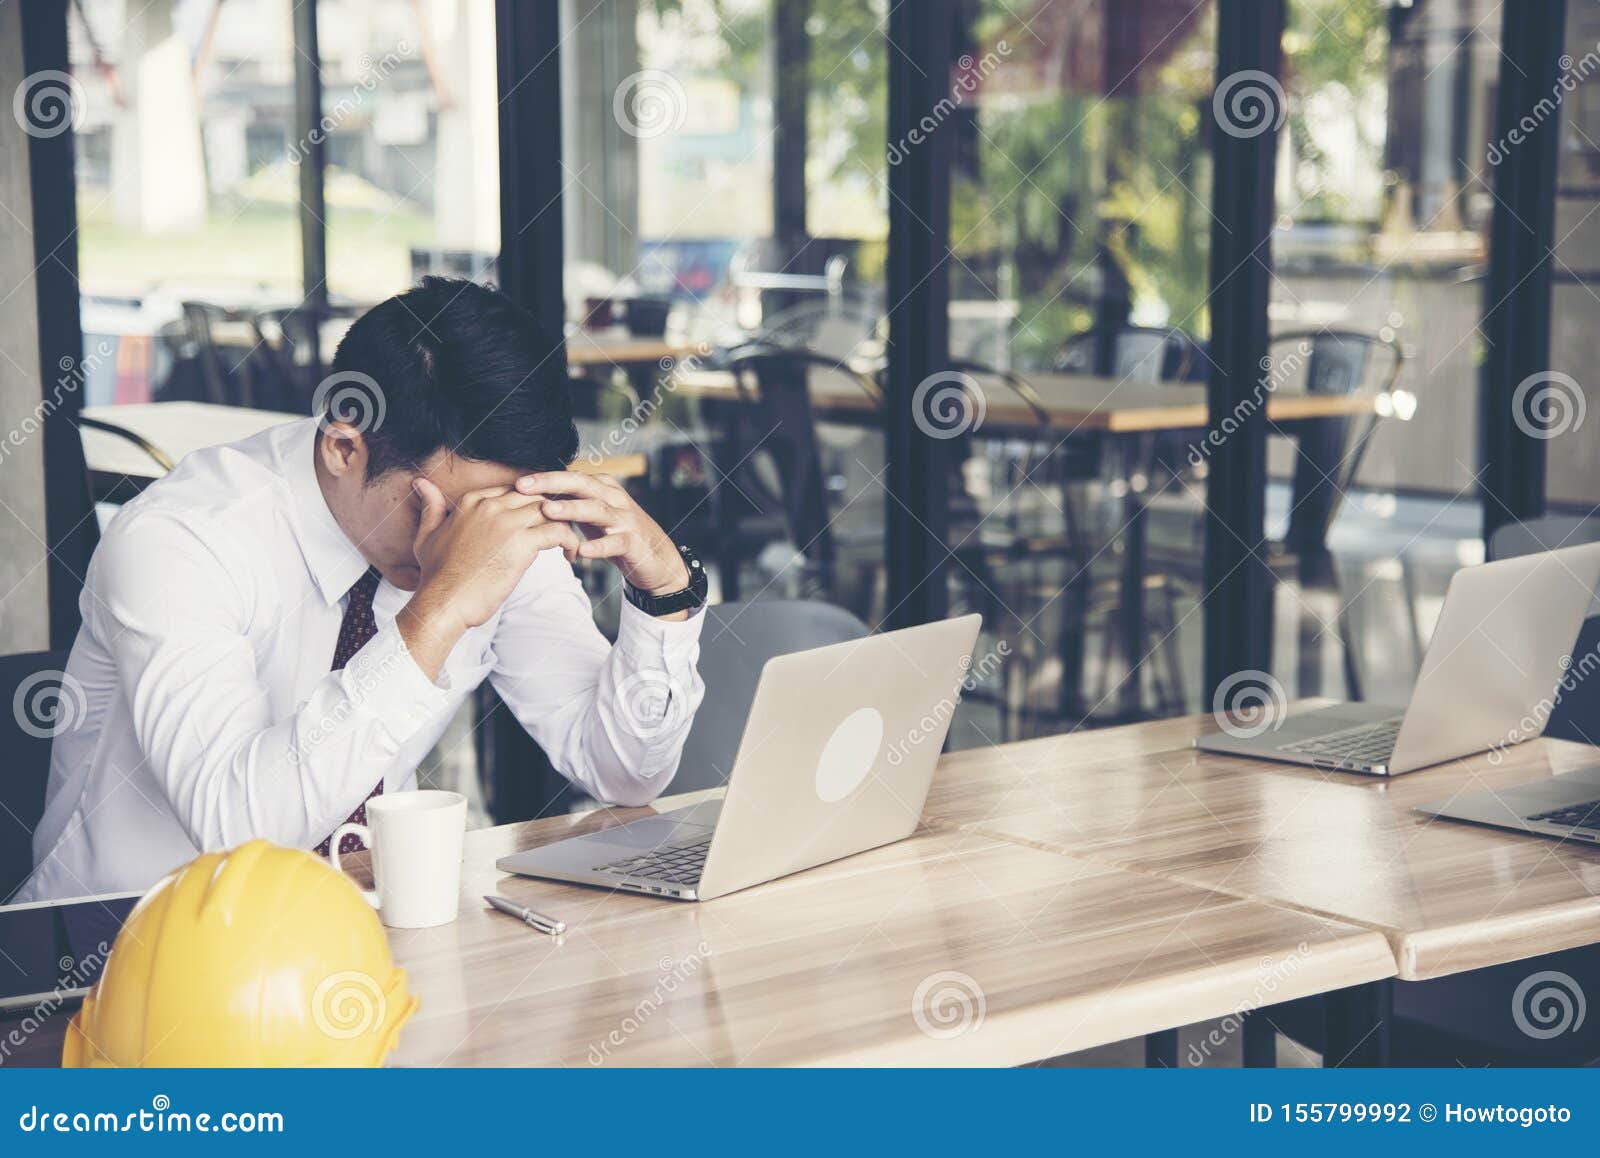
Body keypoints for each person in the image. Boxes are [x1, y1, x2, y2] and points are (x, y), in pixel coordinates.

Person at [19, 278, 707, 902]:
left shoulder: (497, 520)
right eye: (440, 510)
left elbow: (622, 773)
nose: (472, 543)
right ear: (344, 449)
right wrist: (437, 611)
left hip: (348, 938)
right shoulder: (180, 539)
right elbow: (237, 829)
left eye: (494, 516)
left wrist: (665, 594)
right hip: (116, 954)